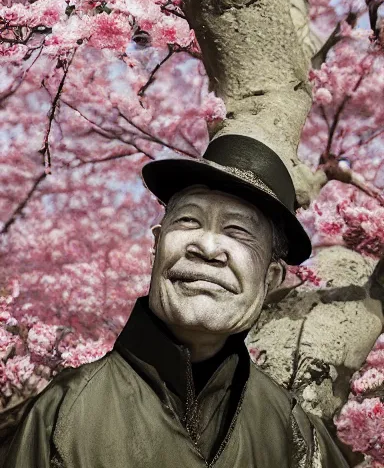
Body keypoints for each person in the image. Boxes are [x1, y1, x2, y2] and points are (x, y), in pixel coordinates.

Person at [1, 135, 349, 467]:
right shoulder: (62, 413)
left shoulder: (296, 434)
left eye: (237, 231)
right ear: (157, 245)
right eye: (188, 221)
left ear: (270, 279)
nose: (208, 248)